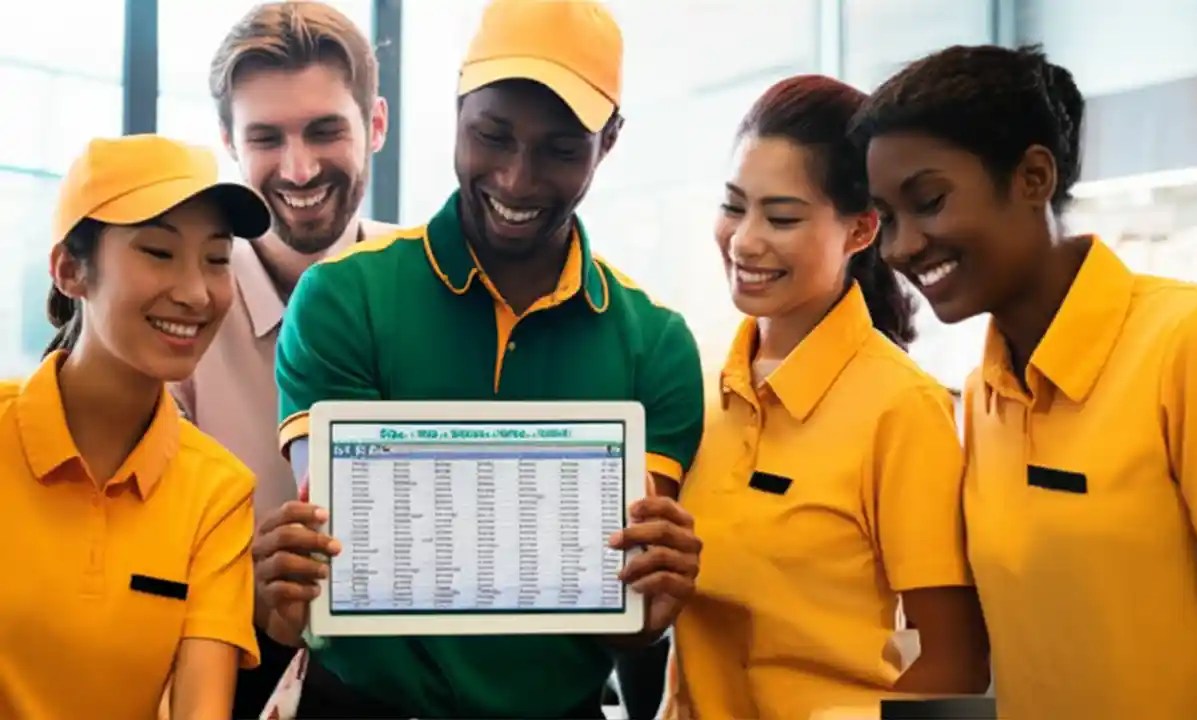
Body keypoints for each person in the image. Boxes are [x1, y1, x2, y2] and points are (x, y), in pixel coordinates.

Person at [252, 0, 705, 717]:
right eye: (492, 135)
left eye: (560, 149)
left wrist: (651, 609)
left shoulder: (656, 344)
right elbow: (348, 563)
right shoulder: (342, 299)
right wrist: (287, 590)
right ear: (457, 110)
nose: (517, 180)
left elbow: (627, 603)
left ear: (609, 141)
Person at [855, 44, 1197, 720]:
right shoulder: (983, 396)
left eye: (929, 201)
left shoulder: (1190, 340)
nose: (902, 247)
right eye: (888, 219)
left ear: (1032, 177)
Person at [665, 75, 990, 720]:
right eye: (734, 206)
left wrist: (854, 702)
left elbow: (951, 656)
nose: (745, 240)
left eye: (781, 217)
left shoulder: (901, 409)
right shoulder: (697, 389)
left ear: (862, 229)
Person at [170, 2, 397, 714]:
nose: (299, 169)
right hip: (223, 673)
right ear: (229, 144)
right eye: (267, 138)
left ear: (377, 125)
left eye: (325, 130)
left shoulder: (437, 288)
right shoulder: (174, 317)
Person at [0, 134, 269, 720]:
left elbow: (203, 707)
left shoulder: (219, 492)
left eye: (217, 260)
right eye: (157, 251)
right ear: (71, 270)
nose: (196, 292)